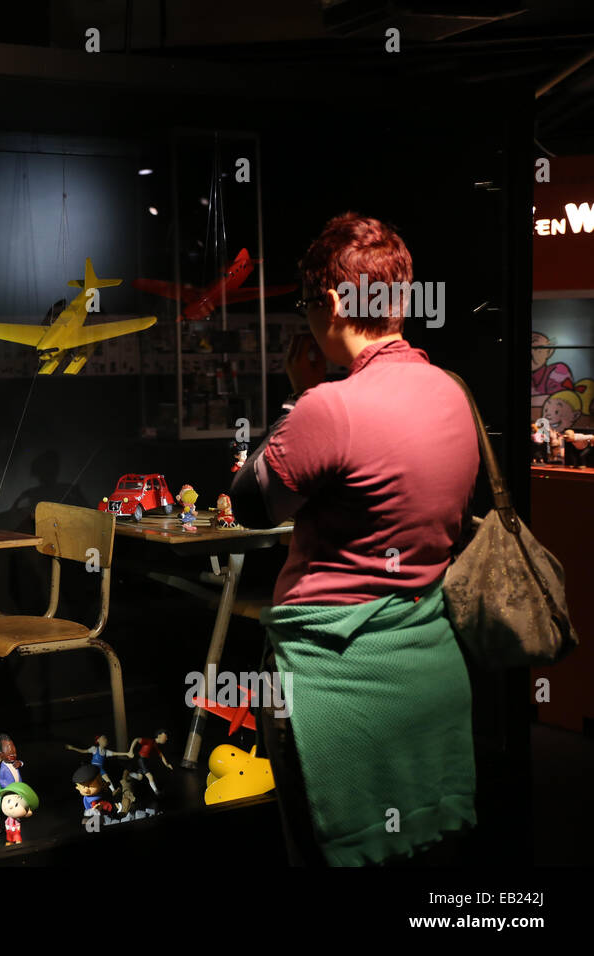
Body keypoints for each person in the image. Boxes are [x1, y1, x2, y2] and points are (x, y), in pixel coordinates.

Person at [230, 213, 478, 867]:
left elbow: (251, 501)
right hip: (429, 664)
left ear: (335, 303)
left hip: (331, 684)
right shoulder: (453, 394)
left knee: (326, 854)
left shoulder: (327, 407)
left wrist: (299, 396)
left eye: (308, 306)